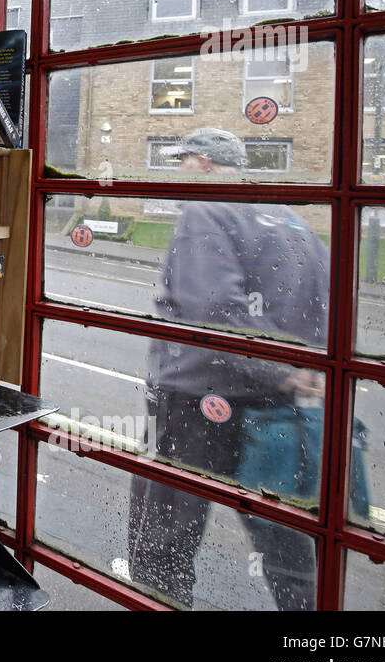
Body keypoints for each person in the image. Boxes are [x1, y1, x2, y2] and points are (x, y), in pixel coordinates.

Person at [127, 127, 329, 610]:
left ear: (202, 162)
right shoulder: (290, 220)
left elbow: (211, 308)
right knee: (285, 538)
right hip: (277, 406)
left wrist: (272, 369)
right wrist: (298, 371)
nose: (178, 171)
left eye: (182, 161)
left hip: (197, 397)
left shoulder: (207, 207)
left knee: (165, 533)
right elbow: (326, 303)